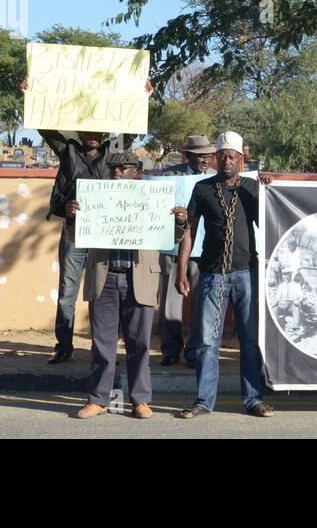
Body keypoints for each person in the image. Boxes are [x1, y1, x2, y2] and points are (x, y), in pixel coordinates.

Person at [20, 77, 153, 364]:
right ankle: (64, 346)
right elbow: (45, 127)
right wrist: (30, 96)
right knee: (68, 289)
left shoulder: (112, 152)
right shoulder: (68, 151)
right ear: (79, 130)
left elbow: (130, 130)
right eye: (87, 129)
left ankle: (103, 347)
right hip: (74, 231)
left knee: (104, 289)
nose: (92, 134)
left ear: (103, 131)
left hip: (105, 235)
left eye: (97, 129)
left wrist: (143, 99)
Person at [72, 153, 187, 419]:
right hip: (105, 276)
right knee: (102, 343)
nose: (115, 172)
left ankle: (140, 400)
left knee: (140, 344)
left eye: (122, 168)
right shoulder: (94, 198)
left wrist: (179, 223)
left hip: (140, 278)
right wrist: (72, 218)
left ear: (135, 172)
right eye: (112, 168)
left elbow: (169, 236)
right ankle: (99, 399)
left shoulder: (151, 199)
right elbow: (74, 234)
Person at [176, 131, 275, 418]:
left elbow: (270, 222)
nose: (228, 161)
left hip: (246, 272)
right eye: (223, 156)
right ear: (216, 158)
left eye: (233, 157)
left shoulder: (252, 188)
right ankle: (204, 401)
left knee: (249, 339)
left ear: (242, 159)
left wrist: (268, 191)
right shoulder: (203, 188)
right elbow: (189, 232)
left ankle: (253, 399)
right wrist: (181, 270)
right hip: (211, 274)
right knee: (208, 341)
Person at [157, 134, 216, 368]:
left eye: (208, 156)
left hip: (203, 248)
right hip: (172, 246)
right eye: (200, 156)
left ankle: (194, 351)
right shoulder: (170, 176)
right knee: (170, 302)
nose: (205, 160)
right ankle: (170, 349)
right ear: (188, 156)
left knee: (202, 301)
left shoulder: (215, 179)